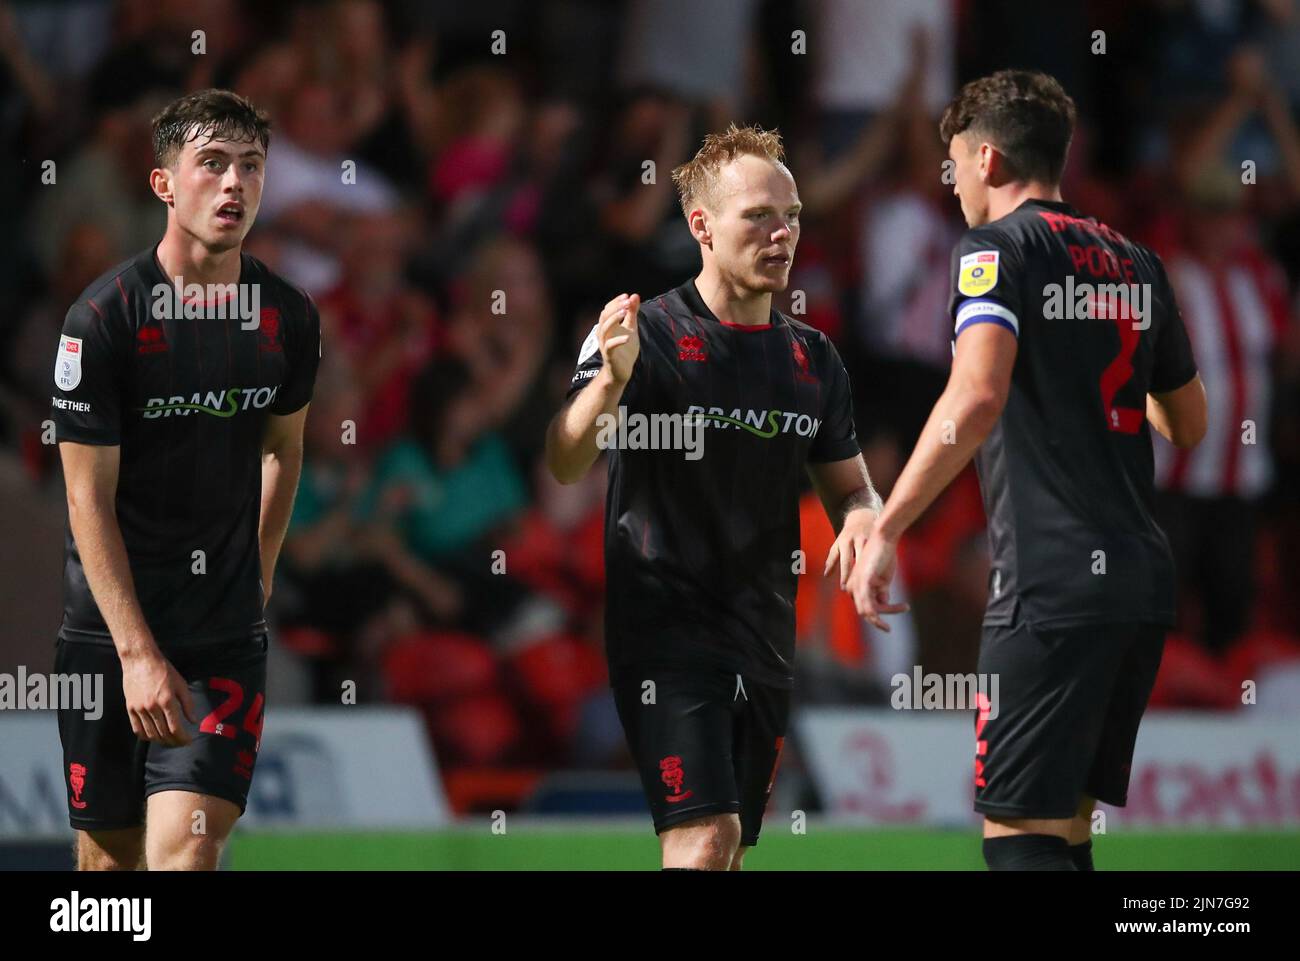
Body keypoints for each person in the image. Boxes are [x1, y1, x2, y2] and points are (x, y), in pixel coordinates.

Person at [846, 71, 1208, 870]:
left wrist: (887, 523)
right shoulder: (1137, 263)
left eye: (954, 166)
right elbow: (1190, 422)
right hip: (1138, 585)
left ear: (987, 158)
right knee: (1065, 831)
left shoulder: (996, 250)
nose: (954, 185)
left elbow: (975, 396)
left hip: (1051, 583)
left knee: (1017, 839)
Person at [545, 124, 890, 870]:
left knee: (725, 848)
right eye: (759, 215)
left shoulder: (813, 358)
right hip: (664, 629)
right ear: (701, 226)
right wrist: (607, 380)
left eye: (792, 214)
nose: (783, 232)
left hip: (765, 634)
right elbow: (566, 457)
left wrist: (865, 522)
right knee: (701, 842)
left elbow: (849, 485)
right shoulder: (642, 333)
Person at [50, 89, 320, 870]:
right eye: (212, 165)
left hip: (220, 642)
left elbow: (284, 450)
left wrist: (258, 573)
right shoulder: (101, 321)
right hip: (107, 637)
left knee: (185, 856)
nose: (234, 184)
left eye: (250, 166)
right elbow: (84, 497)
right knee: (107, 873)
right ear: (164, 183)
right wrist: (135, 652)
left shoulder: (289, 317)